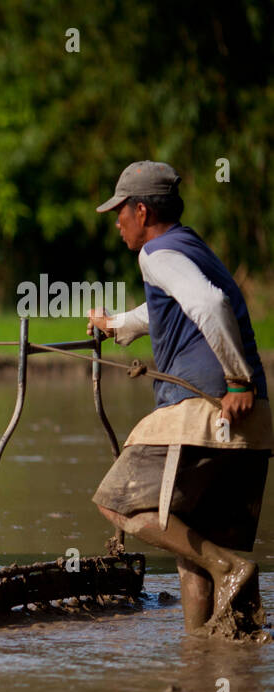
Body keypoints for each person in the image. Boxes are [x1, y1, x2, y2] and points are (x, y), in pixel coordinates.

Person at [86, 161, 271, 632]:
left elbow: (209, 305)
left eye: (120, 211)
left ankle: (229, 567)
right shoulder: (189, 246)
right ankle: (204, 660)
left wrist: (236, 381)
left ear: (141, 210)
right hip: (251, 422)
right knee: (192, 550)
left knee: (119, 502)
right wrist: (118, 326)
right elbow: (174, 306)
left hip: (204, 410)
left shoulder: (156, 253)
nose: (116, 221)